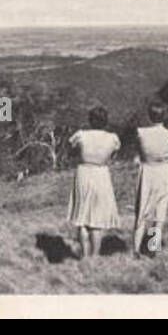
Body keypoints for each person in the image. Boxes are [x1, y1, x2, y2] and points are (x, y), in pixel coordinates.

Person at [67, 106, 122, 259]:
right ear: (106, 121)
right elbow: (114, 154)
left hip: (83, 173)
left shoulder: (80, 135)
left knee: (82, 217)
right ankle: (95, 256)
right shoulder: (113, 138)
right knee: (97, 219)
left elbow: (70, 150)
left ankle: (85, 256)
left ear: (90, 120)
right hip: (101, 174)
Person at [132, 103, 168, 257]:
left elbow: (139, 151)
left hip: (147, 171)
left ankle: (136, 249)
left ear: (150, 116)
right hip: (163, 171)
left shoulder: (141, 132)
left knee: (142, 210)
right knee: (160, 211)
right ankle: (152, 248)